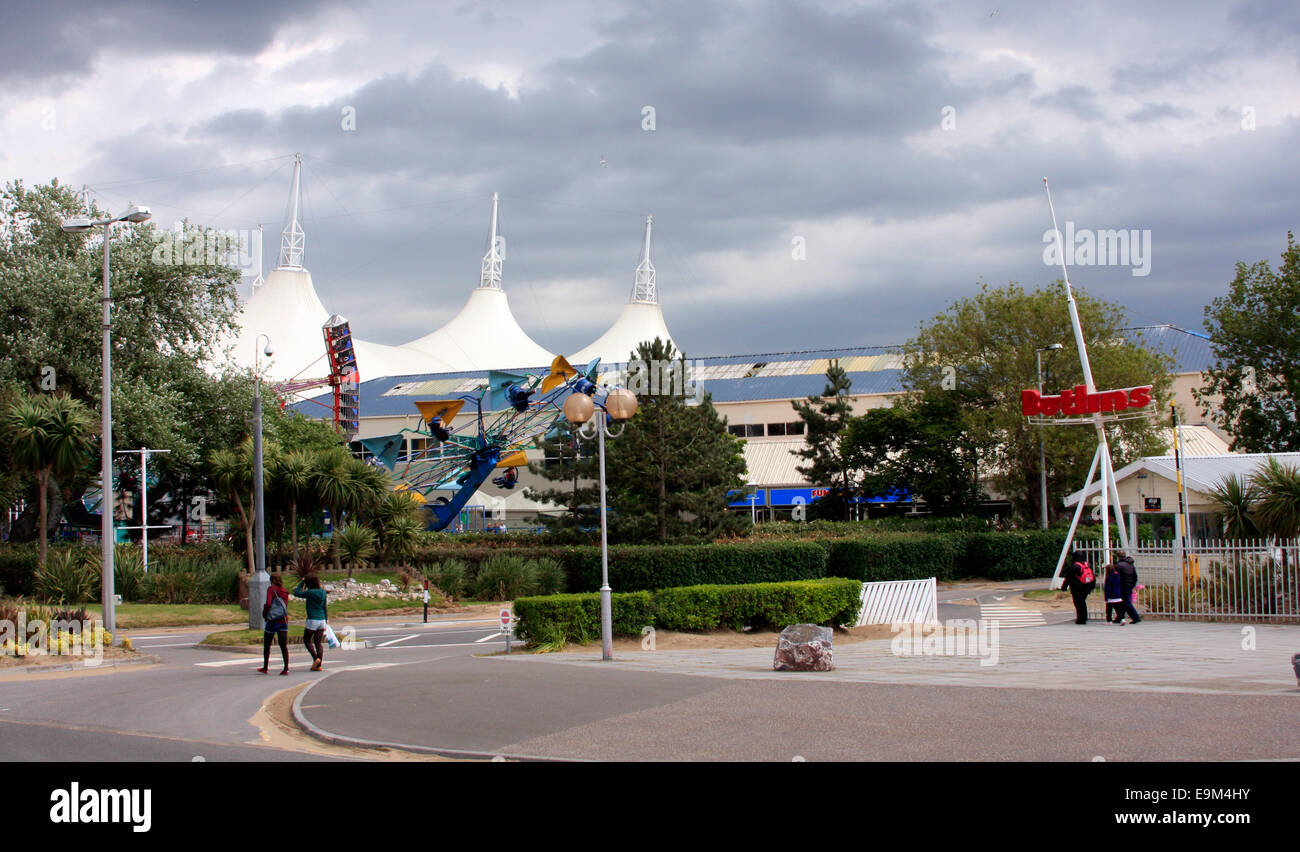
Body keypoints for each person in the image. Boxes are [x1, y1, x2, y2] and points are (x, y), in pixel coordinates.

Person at [293, 575, 329, 671]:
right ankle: (319, 665)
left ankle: (315, 659)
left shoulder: (310, 592)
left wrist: (302, 582)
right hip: (322, 620)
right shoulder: (323, 592)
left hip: (312, 619)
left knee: (307, 640)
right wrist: (326, 619)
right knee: (318, 643)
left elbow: (296, 593)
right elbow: (325, 607)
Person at [258, 573, 291, 675]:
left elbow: (268, 603)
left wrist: (265, 614)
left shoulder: (271, 589)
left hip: (272, 621)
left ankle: (265, 667)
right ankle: (286, 668)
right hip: (283, 620)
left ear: (271, 581)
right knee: (283, 646)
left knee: (267, 644)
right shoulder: (285, 591)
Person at [1061, 550, 1096, 624]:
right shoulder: (1088, 564)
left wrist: (1064, 587)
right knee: (1083, 602)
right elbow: (1092, 575)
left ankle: (1081, 619)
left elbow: (1069, 578)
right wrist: (1092, 585)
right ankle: (1084, 617)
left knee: (1078, 603)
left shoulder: (1074, 566)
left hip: (1077, 588)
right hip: (1087, 587)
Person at [1115, 552, 1142, 624]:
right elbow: (1135, 576)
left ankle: (1135, 617)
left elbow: (1117, 577)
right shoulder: (1131, 565)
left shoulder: (1119, 565)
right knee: (1123, 602)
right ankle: (1120, 617)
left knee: (1126, 602)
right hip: (1129, 585)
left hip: (1122, 586)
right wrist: (1132, 585)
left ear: (1118, 557)